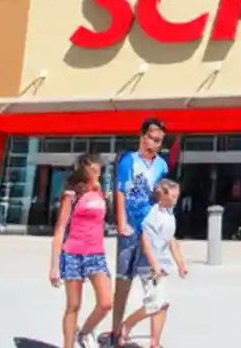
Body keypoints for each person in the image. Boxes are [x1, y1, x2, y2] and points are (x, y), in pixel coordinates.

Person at [105, 118, 169, 347]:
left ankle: (155, 340)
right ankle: (115, 332)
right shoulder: (128, 161)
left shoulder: (162, 165)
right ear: (142, 136)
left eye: (159, 141)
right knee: (124, 282)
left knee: (155, 283)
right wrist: (122, 223)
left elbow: (162, 197)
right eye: (152, 138)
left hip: (151, 232)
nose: (155, 144)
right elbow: (121, 191)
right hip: (130, 230)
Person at [49, 152, 113, 348]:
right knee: (73, 305)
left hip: (96, 254)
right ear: (85, 170)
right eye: (94, 169)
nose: (98, 172)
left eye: (99, 169)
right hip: (72, 253)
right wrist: (54, 266)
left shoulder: (101, 192)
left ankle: (84, 333)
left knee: (106, 303)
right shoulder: (72, 195)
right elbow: (60, 229)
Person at [120, 179, 187, 348]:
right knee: (154, 304)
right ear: (162, 195)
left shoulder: (170, 214)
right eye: (173, 195)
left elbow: (171, 240)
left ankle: (155, 342)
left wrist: (180, 264)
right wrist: (154, 264)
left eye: (177, 195)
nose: (176, 199)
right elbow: (146, 241)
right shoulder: (153, 214)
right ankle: (126, 325)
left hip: (163, 264)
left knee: (163, 304)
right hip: (149, 265)